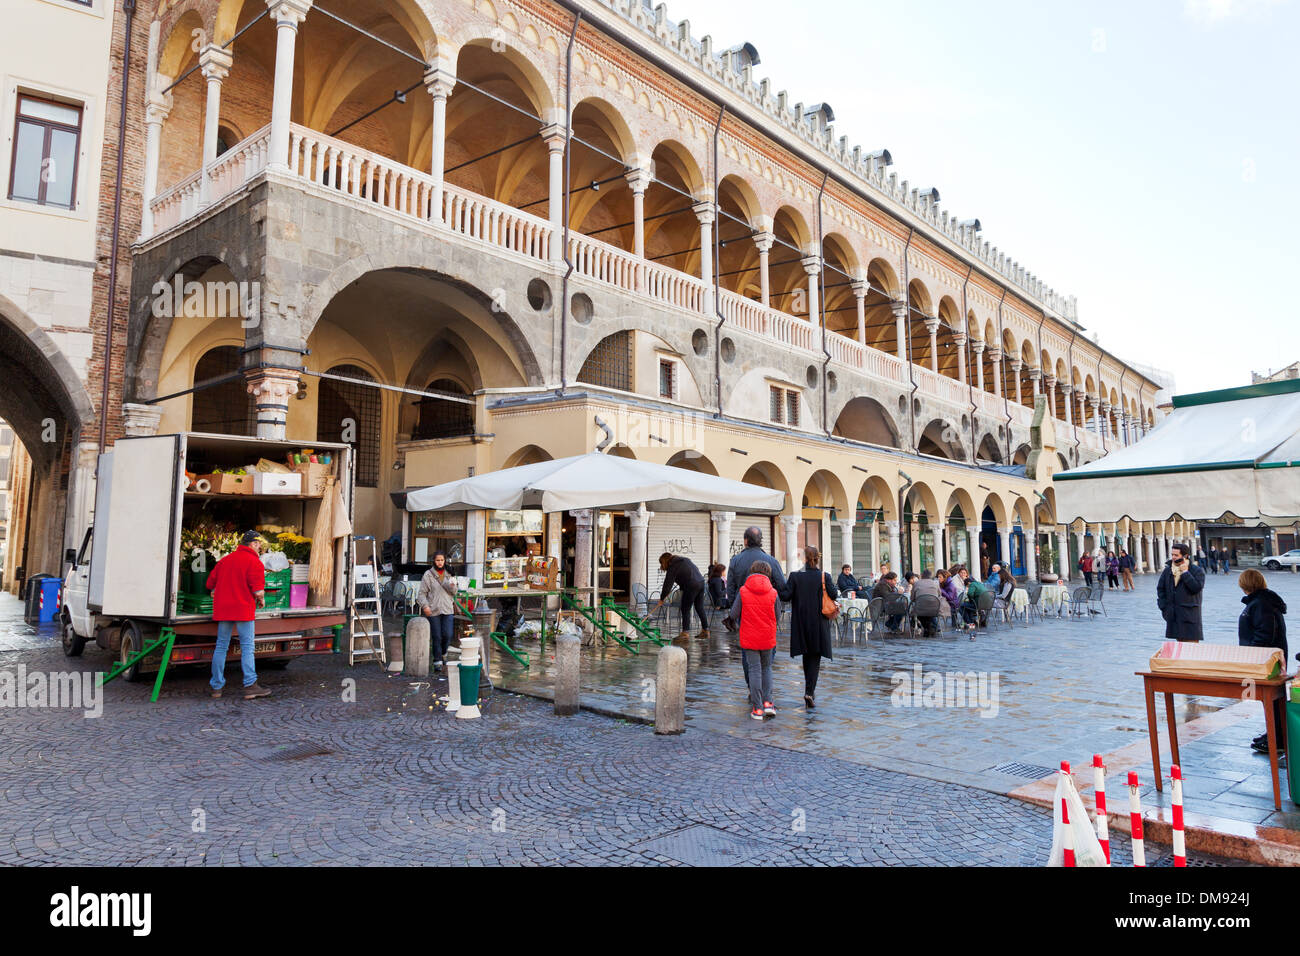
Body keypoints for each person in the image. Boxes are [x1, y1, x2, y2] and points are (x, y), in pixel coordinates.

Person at [206, 530, 271, 700]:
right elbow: (258, 590)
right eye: (258, 545)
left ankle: (216, 688)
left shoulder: (225, 560)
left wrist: (215, 590)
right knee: (247, 647)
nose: (260, 548)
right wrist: (262, 600)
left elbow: (210, 582)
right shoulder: (254, 562)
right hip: (243, 610)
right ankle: (250, 686)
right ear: (252, 544)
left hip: (224, 610)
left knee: (221, 646)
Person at [1237, 568, 1289, 753]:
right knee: (1272, 700)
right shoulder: (1261, 601)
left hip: (1266, 659)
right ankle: (1274, 733)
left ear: (1246, 585)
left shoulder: (1260, 603)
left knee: (1273, 698)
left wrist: (1253, 653)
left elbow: (1264, 633)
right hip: (1268, 656)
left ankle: (1278, 738)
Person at [786, 546, 838, 710]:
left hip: (801, 622)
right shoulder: (824, 576)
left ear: (804, 559)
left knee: (806, 654)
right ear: (817, 558)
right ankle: (809, 691)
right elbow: (834, 594)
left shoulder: (795, 576)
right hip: (818, 622)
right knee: (814, 657)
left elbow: (785, 595)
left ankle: (810, 690)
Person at [731, 560, 779, 720]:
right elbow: (778, 616)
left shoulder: (743, 591)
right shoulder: (773, 593)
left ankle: (757, 709)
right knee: (766, 668)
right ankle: (768, 704)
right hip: (767, 636)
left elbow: (734, 613)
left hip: (749, 636)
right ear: (768, 574)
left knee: (754, 670)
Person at [723, 526, 787, 632]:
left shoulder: (735, 560)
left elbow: (730, 587)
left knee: (746, 641)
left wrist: (734, 606)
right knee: (767, 642)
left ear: (745, 540)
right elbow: (782, 586)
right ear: (761, 541)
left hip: (744, 609)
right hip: (767, 609)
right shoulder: (772, 561)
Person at [652, 552, 708, 641]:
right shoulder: (684, 560)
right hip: (701, 582)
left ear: (664, 561)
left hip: (691, 585)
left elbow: (667, 584)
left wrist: (662, 598)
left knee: (685, 608)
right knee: (699, 607)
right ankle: (706, 630)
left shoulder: (673, 566)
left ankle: (685, 633)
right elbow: (693, 570)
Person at [418, 550, 458, 672]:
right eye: (437, 560)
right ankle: (437, 660)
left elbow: (455, 592)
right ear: (434, 561)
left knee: (447, 634)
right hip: (433, 609)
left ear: (444, 561)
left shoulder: (450, 573)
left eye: (442, 560)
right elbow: (421, 594)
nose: (440, 563)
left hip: (447, 608)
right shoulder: (428, 575)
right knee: (437, 636)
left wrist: (452, 586)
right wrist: (425, 606)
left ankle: (444, 652)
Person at [1156, 543, 1206, 642]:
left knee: (1191, 649)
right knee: (1179, 647)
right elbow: (1161, 589)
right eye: (1172, 555)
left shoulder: (1196, 571)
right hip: (1174, 615)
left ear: (1185, 556)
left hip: (1190, 615)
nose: (1173, 557)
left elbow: (1196, 588)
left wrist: (1185, 573)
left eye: (1176, 555)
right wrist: (1164, 607)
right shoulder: (1168, 570)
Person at [956, 566, 987, 637]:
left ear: (968, 583)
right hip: (986, 604)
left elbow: (970, 594)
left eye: (967, 586)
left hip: (978, 605)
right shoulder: (979, 583)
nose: (967, 587)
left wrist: (970, 598)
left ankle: (970, 623)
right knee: (966, 606)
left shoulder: (972, 585)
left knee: (961, 606)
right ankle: (972, 622)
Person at [912, 569, 943, 637]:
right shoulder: (936, 584)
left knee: (918, 613)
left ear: (922, 575)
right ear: (930, 576)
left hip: (920, 609)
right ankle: (930, 627)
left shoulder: (916, 583)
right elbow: (939, 596)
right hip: (934, 609)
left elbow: (912, 598)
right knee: (929, 613)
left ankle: (927, 627)